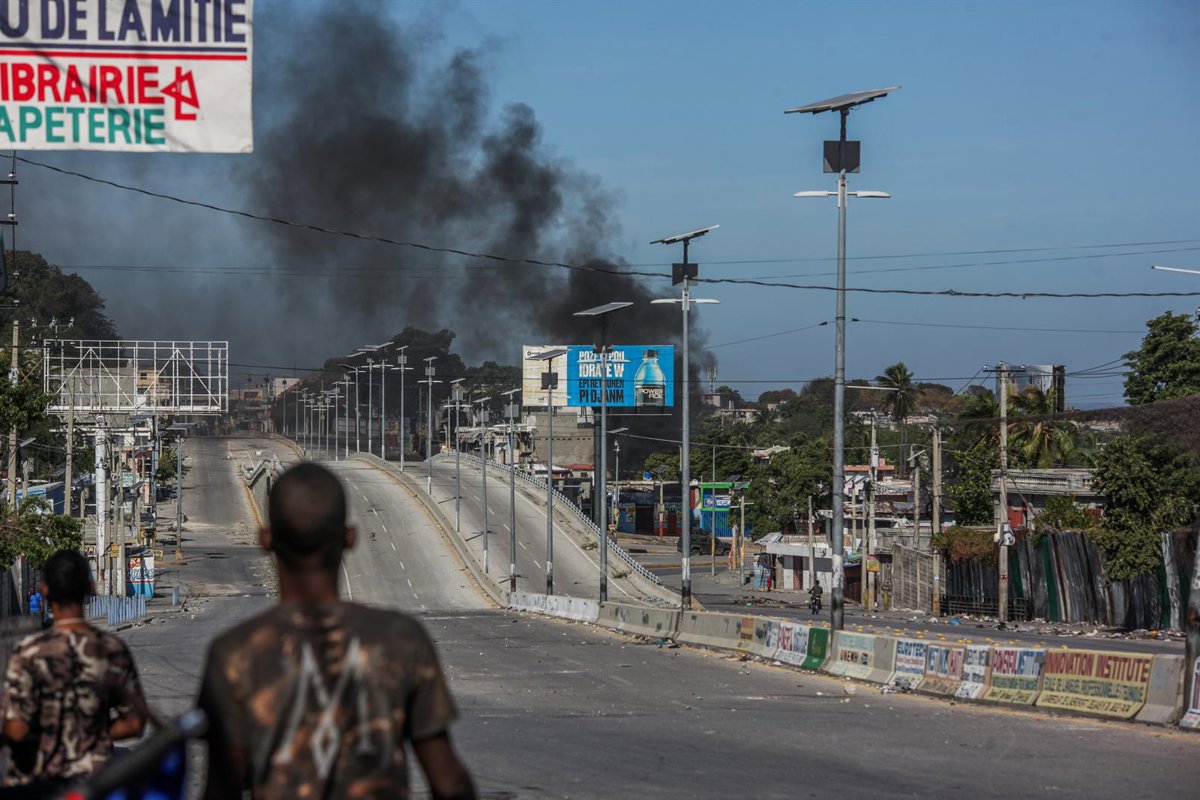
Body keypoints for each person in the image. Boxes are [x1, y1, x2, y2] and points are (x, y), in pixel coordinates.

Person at [198, 462, 475, 800]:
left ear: (266, 540)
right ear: (350, 538)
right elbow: (449, 783)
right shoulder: (401, 640)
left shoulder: (235, 654)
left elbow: (222, 786)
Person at [1, 550, 148, 791]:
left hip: (38, 785)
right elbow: (135, 723)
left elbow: (17, 729)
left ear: (44, 590)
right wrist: (91, 732)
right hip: (94, 783)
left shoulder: (27, 653)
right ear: (89, 588)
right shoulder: (111, 649)